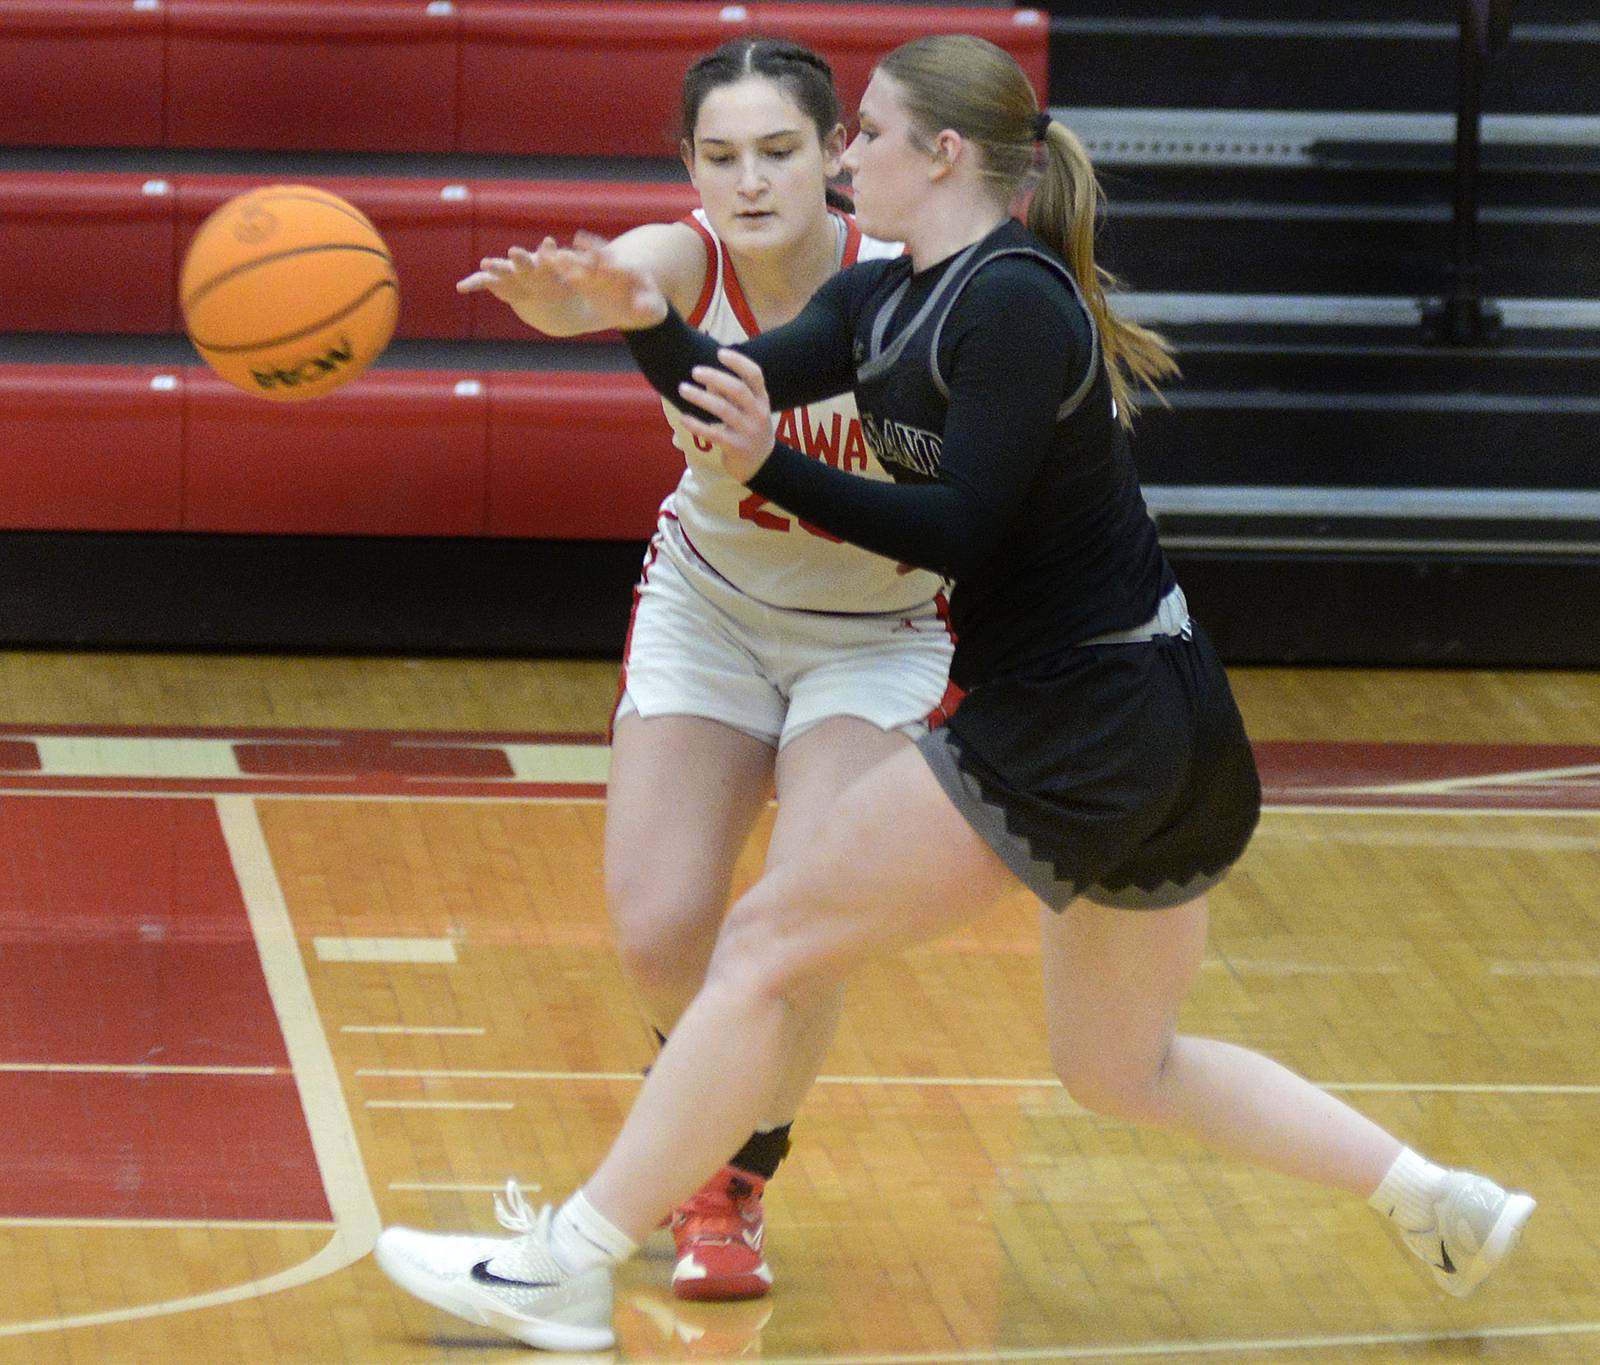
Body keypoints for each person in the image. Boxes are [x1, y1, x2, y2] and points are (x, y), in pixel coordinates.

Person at [375, 34, 1536, 1352]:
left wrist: (772, 468)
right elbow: (731, 384)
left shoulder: (1013, 303)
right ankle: (1436, 1199)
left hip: (1078, 712)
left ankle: (564, 1264)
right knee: (1123, 1065)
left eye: (863, 133)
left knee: (762, 947)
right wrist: (638, 316)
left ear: (940, 156)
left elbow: (961, 530)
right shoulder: (887, 300)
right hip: (1160, 712)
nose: (845, 153)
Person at [451, 37, 956, 1305]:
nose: (749, 180)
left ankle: (726, 1178)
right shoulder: (686, 259)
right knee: (662, 931)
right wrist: (577, 304)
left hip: (884, 634)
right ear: (688, 166)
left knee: (802, 926)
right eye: (720, 156)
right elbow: (630, 280)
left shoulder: (911, 278)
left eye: (779, 150)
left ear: (835, 151)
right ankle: (699, 1096)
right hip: (713, 613)